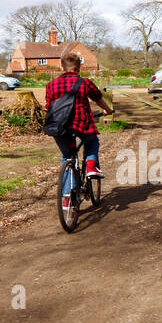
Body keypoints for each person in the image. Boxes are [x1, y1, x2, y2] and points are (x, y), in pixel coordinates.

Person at [45, 51, 113, 207]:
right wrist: (108, 111)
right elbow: (98, 99)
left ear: (62, 68)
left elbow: (49, 107)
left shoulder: (50, 85)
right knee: (92, 141)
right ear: (79, 68)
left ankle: (67, 197)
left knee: (67, 156)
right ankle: (90, 164)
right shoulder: (85, 83)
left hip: (59, 126)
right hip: (82, 124)